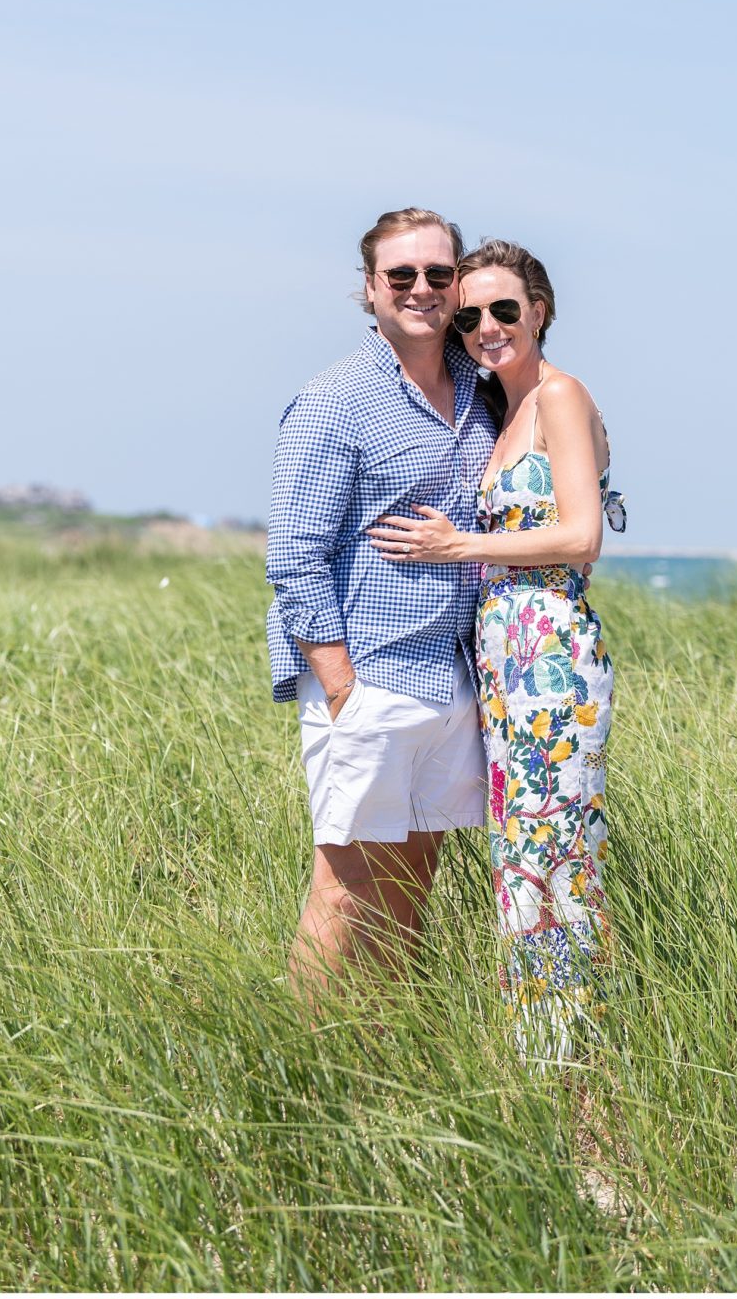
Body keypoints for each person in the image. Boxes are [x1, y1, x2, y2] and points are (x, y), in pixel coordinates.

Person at [368, 240, 624, 1060]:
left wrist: (459, 546)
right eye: (469, 315)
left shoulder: (558, 396)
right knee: (519, 861)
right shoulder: (500, 410)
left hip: (551, 657)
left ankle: (582, 1079)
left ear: (538, 312)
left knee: (558, 858)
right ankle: (542, 1058)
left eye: (504, 309)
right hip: (503, 666)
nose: (486, 326)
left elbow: (582, 536)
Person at [266, 208, 497, 1000]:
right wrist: (341, 689)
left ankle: (381, 1049)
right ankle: (299, 1059)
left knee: (412, 881)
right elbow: (294, 557)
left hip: (452, 678)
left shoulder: (481, 390)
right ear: (369, 289)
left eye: (438, 273)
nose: (420, 288)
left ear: (458, 283)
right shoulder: (334, 400)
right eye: (401, 275)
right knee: (344, 887)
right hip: (369, 675)